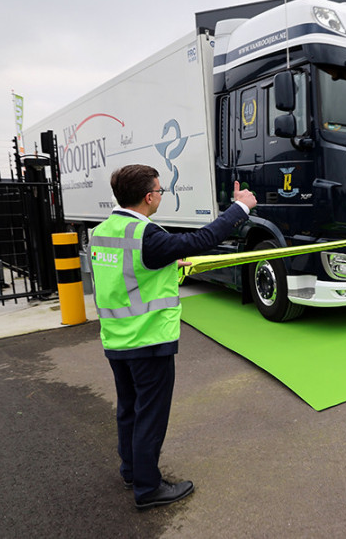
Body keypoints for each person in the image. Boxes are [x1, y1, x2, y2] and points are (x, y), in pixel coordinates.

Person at [90, 164, 256, 509]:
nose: (161, 195)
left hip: (116, 340)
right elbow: (201, 241)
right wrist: (239, 208)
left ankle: (132, 471)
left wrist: (168, 263)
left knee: (129, 410)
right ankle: (148, 489)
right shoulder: (146, 235)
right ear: (149, 197)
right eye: (161, 191)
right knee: (150, 414)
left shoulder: (103, 230)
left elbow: (128, 273)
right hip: (148, 340)